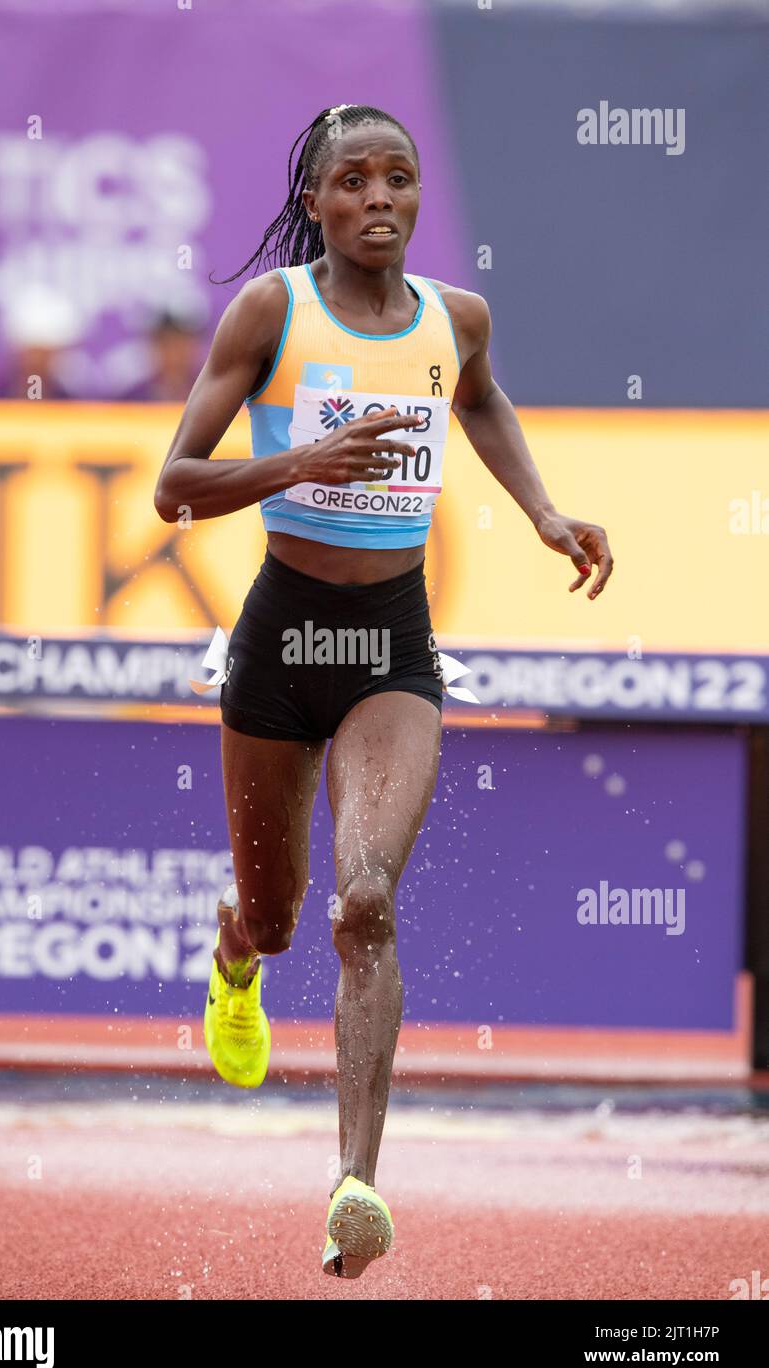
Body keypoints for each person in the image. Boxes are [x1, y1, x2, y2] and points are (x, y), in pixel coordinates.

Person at [154, 103, 613, 1279]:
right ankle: (233, 950)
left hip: (390, 650)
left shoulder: (455, 318)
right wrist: (297, 462)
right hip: (277, 644)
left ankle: (353, 1182)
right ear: (314, 203)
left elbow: (479, 400)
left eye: (396, 179)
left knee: (365, 900)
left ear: (414, 197)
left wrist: (543, 511)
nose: (376, 199)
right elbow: (173, 486)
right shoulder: (273, 312)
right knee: (280, 915)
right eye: (350, 181)